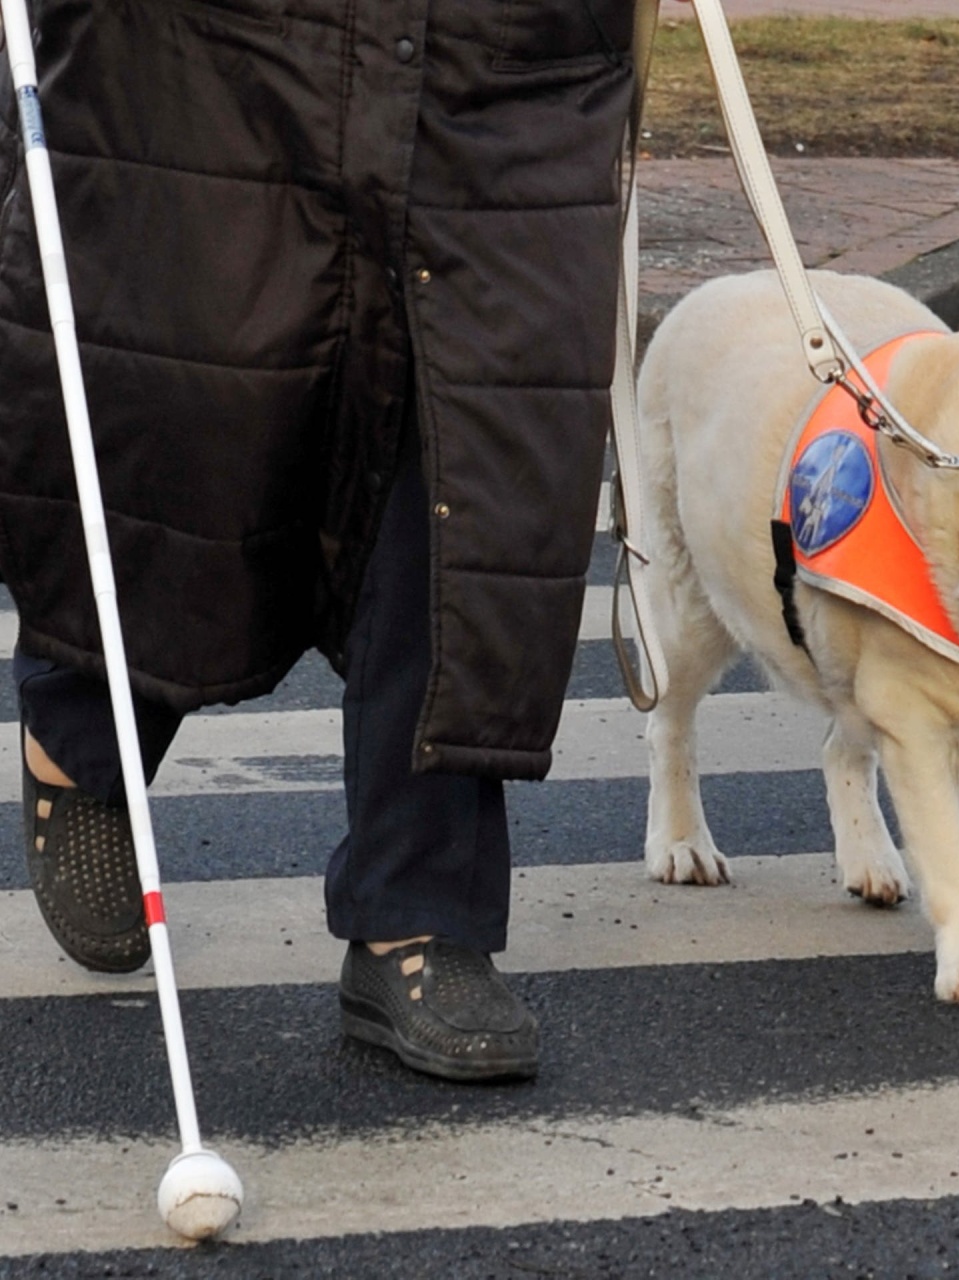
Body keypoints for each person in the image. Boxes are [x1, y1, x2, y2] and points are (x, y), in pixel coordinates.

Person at [0, 0, 641, 1082]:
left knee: (466, 437)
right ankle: (90, 724)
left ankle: (418, 906)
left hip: (503, 53)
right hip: (215, 40)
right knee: (195, 382)